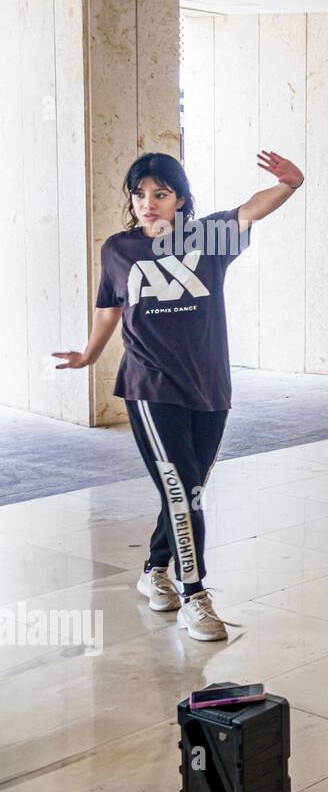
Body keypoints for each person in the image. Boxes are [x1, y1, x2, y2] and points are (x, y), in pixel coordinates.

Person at [53, 150, 303, 640]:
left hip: (209, 384)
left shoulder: (208, 238)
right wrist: (89, 353)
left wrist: (289, 185)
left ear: (180, 200)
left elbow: (250, 209)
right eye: (139, 193)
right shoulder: (118, 249)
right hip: (149, 385)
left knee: (188, 489)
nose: (148, 203)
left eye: (160, 194)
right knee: (181, 489)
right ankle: (196, 595)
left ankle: (154, 569)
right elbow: (109, 308)